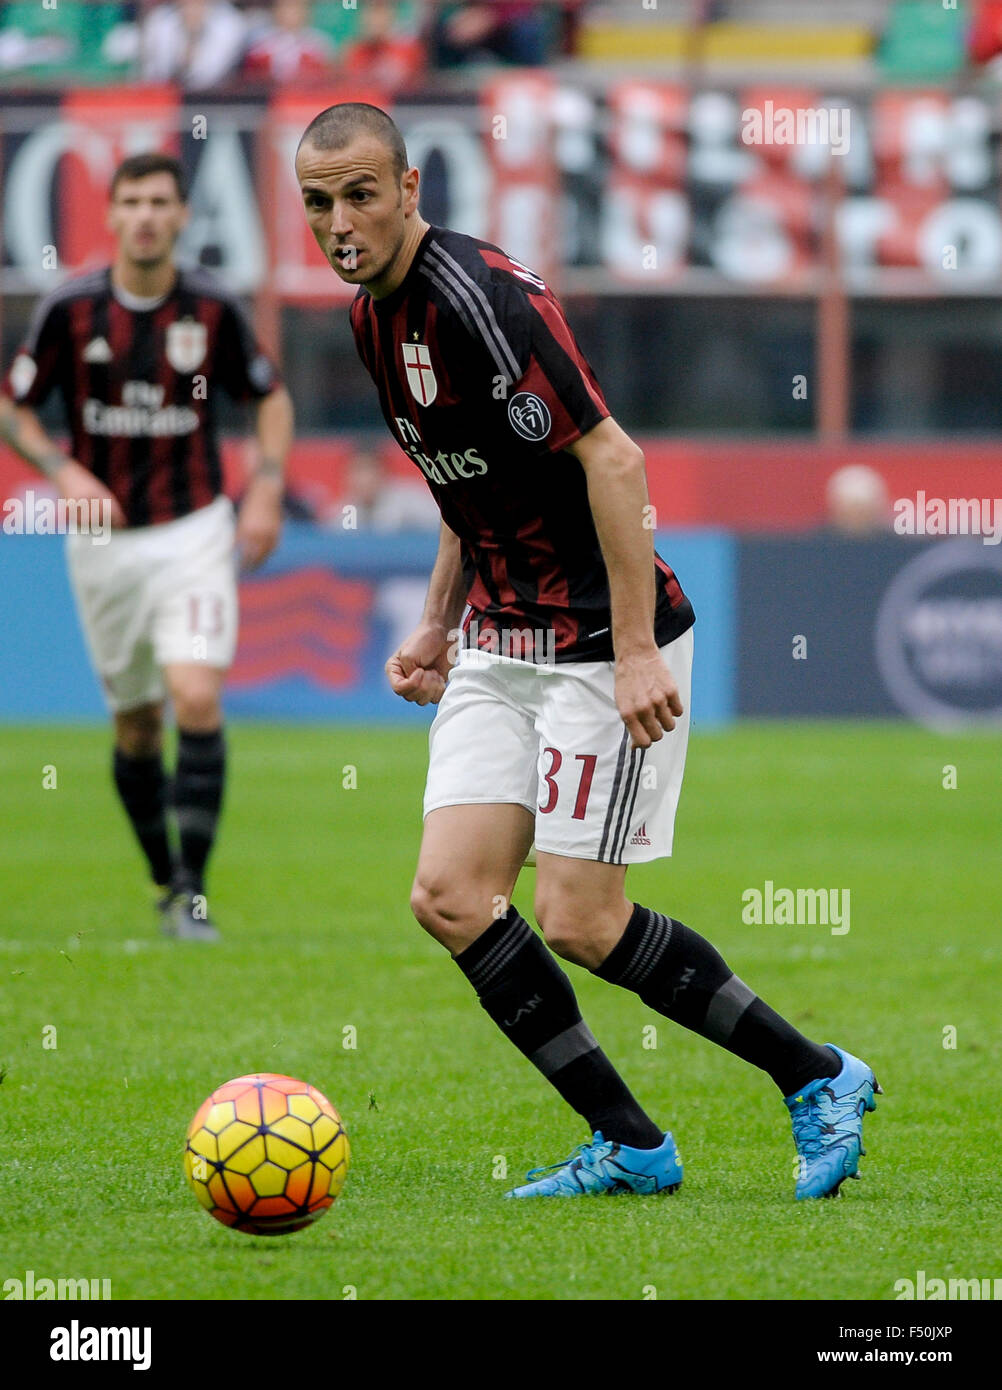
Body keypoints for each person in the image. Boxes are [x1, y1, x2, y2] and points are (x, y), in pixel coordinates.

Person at [294, 103, 880, 1200]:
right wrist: (434, 620)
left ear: (411, 189)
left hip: (599, 642)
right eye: (320, 202)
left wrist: (636, 650)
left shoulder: (484, 301)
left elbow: (612, 460)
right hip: (498, 635)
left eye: (362, 194)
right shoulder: (373, 318)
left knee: (579, 916)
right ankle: (633, 1145)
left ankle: (819, 1076)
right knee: (452, 894)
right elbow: (458, 483)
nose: (341, 222)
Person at [0, 152, 293, 941]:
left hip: (193, 527)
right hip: (102, 543)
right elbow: (14, 408)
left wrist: (265, 485)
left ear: (180, 215)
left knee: (194, 697)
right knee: (135, 726)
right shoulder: (71, 311)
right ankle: (167, 880)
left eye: (161, 201)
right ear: (114, 214)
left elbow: (269, 397)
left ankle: (194, 891)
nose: (147, 216)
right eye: (131, 201)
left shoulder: (211, 308)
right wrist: (63, 470)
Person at [140, 0, 246, 90]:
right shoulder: (159, 19)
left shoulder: (230, 22)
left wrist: (194, 35)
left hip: (215, 100)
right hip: (165, 98)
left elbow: (209, 75)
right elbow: (156, 71)